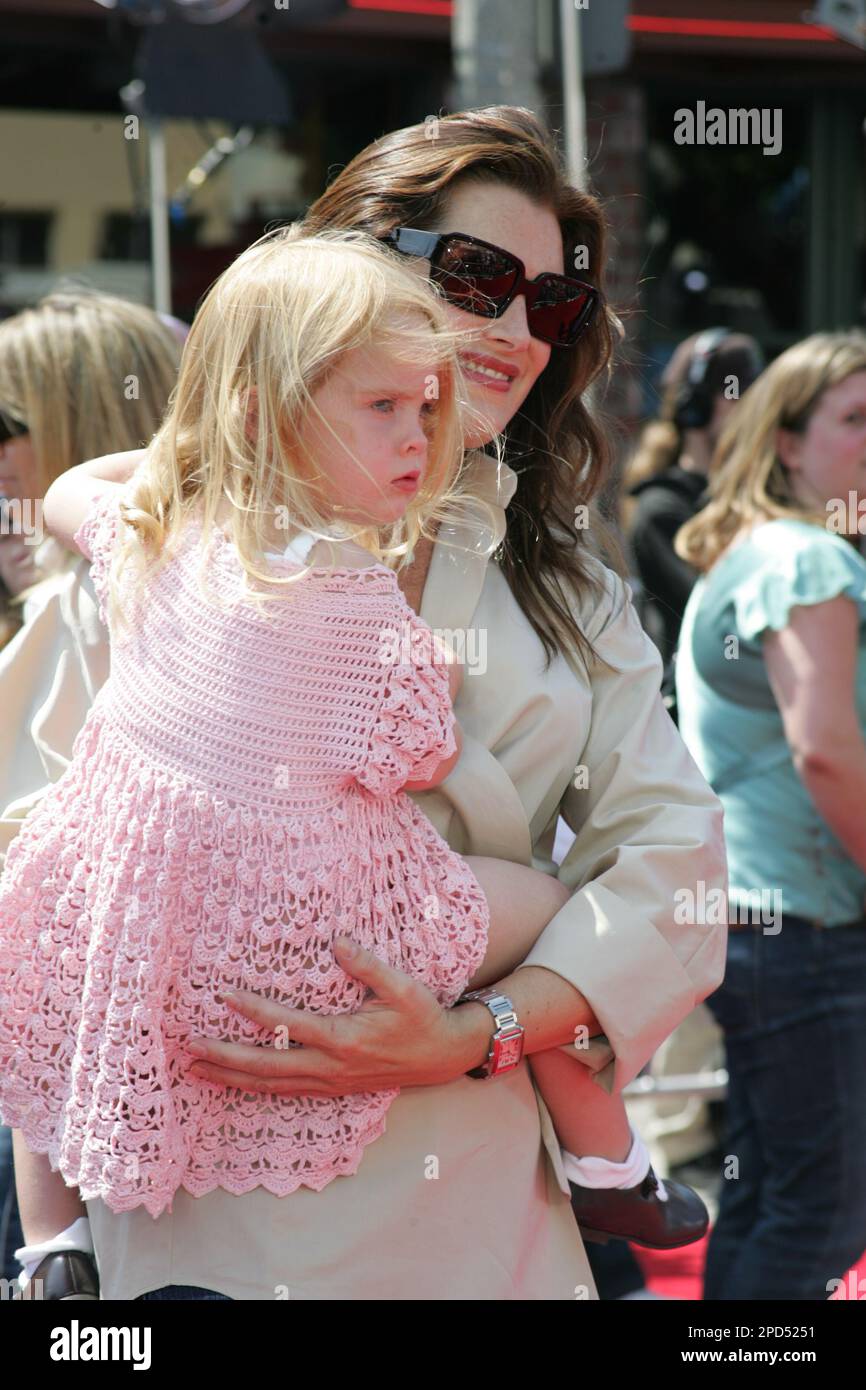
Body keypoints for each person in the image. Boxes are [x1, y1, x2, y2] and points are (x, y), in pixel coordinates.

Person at [7, 107, 727, 1302]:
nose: (513, 330)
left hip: (477, 1207)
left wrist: (480, 1029)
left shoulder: (568, 587)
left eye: (548, 304)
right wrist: (56, 1232)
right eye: (477, 276)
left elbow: (671, 863)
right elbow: (28, 859)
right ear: (347, 273)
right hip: (203, 1210)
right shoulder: (168, 544)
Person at [674, 331, 866, 1300]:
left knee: (770, 1195)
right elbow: (823, 745)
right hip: (802, 924)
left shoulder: (753, 551)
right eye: (852, 418)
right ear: (785, 443)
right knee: (823, 1209)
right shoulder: (805, 560)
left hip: (754, 921)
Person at [0, 288, 182, 1291]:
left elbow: (40, 902)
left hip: (79, 1118)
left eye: (5, 420)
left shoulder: (77, 602)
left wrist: (48, 1232)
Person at [622, 328, 765, 703]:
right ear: (695, 404)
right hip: (697, 705)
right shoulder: (661, 509)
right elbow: (720, 622)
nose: (755, 412)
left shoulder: (757, 496)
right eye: (737, 394)